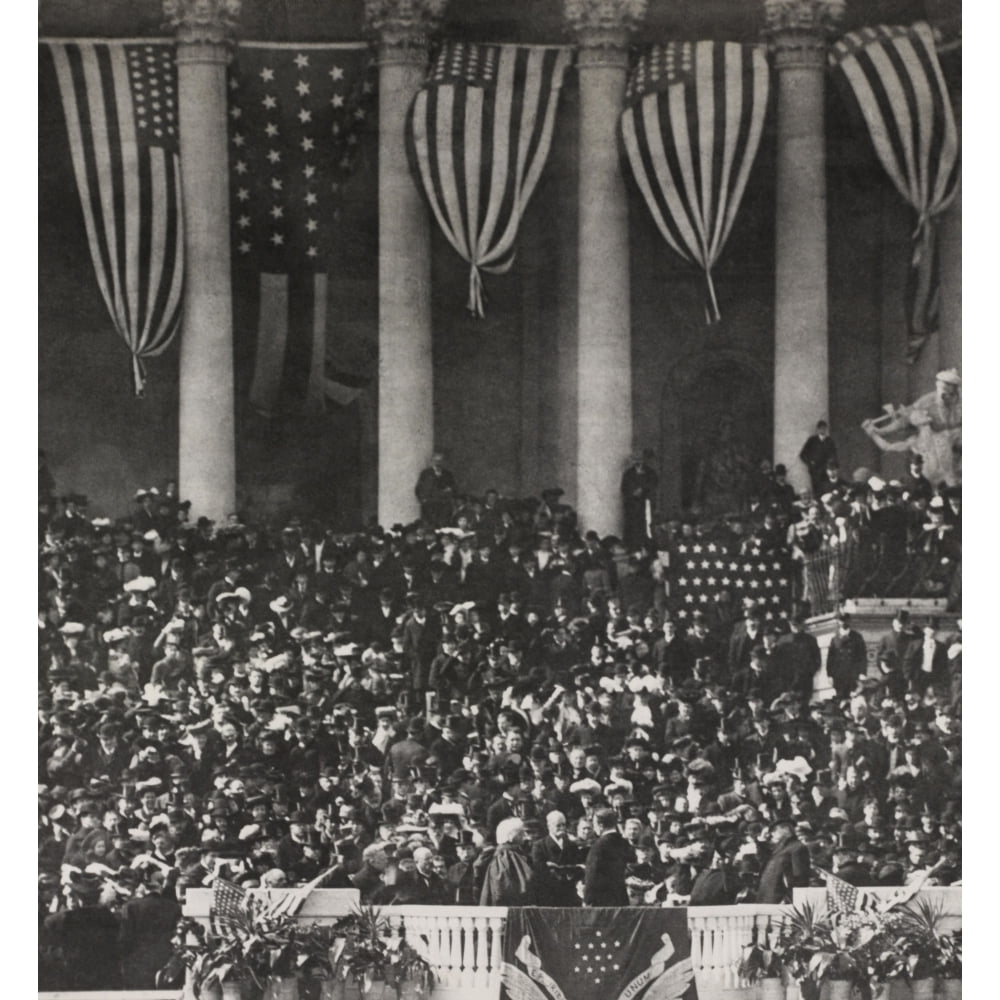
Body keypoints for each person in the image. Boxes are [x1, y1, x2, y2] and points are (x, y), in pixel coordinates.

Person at [479, 818, 537, 905]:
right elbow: (509, 886)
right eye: (521, 833)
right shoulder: (507, 855)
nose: (525, 836)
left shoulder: (510, 853)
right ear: (510, 837)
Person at [531, 810, 583, 907]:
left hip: (569, 894)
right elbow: (539, 870)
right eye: (558, 825)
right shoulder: (539, 846)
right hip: (549, 895)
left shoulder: (571, 845)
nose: (562, 828)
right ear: (549, 826)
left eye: (564, 825)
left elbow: (578, 866)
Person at [583, 807, 630, 907]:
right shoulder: (624, 843)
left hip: (602, 900)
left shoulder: (598, 846)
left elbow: (592, 874)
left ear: (600, 825)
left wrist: (587, 899)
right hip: (621, 898)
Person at [756, 819, 810, 904]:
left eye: (774, 830)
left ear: (786, 829)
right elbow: (763, 860)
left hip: (780, 902)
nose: (771, 834)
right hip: (768, 899)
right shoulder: (779, 849)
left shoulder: (797, 848)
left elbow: (799, 878)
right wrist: (762, 840)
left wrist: (788, 899)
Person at [621, 451, 659, 551]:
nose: (639, 462)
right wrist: (632, 493)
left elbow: (653, 484)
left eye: (641, 459)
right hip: (632, 505)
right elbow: (624, 488)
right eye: (636, 460)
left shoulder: (650, 472)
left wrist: (643, 489)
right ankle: (631, 547)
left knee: (645, 525)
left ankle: (646, 546)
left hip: (645, 504)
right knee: (632, 526)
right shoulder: (628, 473)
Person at [826, 613, 868, 701]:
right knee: (841, 700)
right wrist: (829, 675)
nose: (844, 623)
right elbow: (830, 659)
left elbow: (863, 656)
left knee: (854, 699)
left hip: (853, 676)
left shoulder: (857, 637)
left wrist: (862, 673)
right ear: (838, 622)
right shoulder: (835, 639)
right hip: (839, 676)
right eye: (841, 621)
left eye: (846, 620)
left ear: (850, 621)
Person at [415, 453, 457, 528]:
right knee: (429, 525)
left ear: (443, 462)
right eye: (436, 460)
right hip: (429, 506)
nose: (438, 463)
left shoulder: (448, 474)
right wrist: (423, 500)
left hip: (443, 505)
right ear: (432, 461)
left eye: (440, 460)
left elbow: (453, 487)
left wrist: (449, 490)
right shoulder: (426, 473)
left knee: (443, 525)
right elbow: (419, 488)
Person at [798, 420, 838, 498]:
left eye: (824, 428)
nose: (822, 430)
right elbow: (802, 455)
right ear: (817, 429)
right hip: (815, 471)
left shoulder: (830, 441)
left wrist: (831, 465)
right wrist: (810, 462)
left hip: (827, 471)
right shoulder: (812, 440)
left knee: (827, 490)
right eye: (820, 428)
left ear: (826, 429)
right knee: (817, 491)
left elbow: (834, 455)